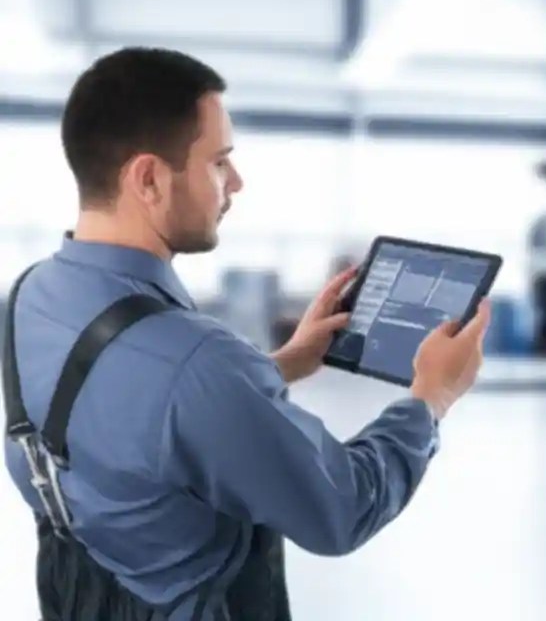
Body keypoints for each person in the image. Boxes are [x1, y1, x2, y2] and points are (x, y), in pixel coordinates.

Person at [2, 48, 490, 620]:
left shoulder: (28, 295)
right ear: (149, 178)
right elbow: (343, 507)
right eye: (218, 162)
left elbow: (126, 415)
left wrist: (281, 364)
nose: (236, 182)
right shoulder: (196, 361)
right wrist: (432, 397)